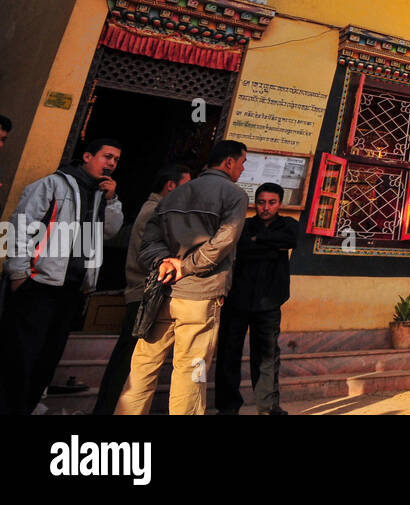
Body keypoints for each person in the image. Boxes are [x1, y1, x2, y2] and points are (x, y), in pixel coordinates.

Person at [116, 140, 250, 416]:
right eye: (242, 162)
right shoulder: (234, 194)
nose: (242, 168)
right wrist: (186, 267)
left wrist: (164, 262)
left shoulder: (174, 194)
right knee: (192, 369)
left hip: (161, 292)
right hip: (199, 296)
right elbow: (223, 242)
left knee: (142, 366)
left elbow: (148, 242)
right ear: (228, 162)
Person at [0, 138, 124, 415]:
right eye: (107, 156)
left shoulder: (100, 194)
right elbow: (19, 226)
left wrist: (112, 200)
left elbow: (111, 232)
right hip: (38, 284)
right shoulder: (53, 185)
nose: (111, 164)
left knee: (46, 360)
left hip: (70, 289)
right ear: (88, 156)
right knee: (20, 357)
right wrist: (19, 273)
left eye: (116, 159)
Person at [92, 164, 190, 415]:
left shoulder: (153, 208)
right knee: (128, 364)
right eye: (186, 184)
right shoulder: (158, 210)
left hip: (142, 291)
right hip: (145, 293)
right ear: (172, 186)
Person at [215, 182, 297, 415]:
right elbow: (240, 248)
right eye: (261, 202)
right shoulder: (244, 225)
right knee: (228, 354)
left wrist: (257, 241)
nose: (265, 207)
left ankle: (268, 407)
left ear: (280, 204)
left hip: (269, 302)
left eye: (271, 202)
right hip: (237, 300)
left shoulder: (288, 225)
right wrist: (268, 245)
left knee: (267, 357)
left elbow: (290, 240)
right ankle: (228, 408)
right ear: (255, 203)